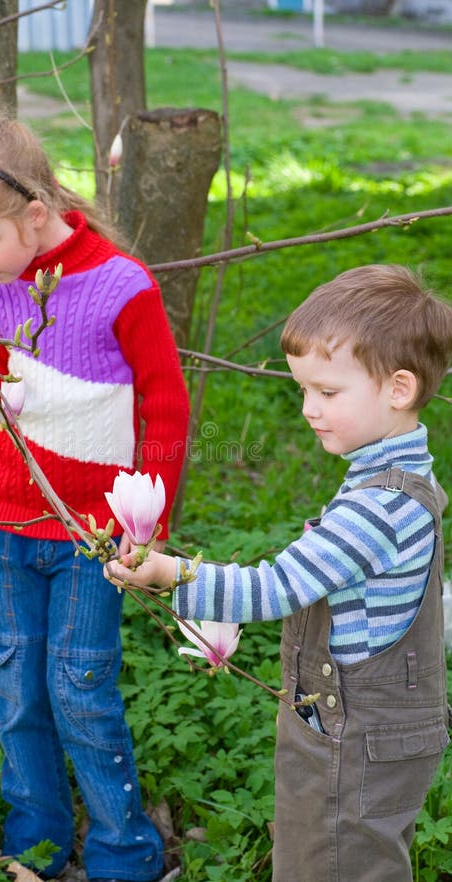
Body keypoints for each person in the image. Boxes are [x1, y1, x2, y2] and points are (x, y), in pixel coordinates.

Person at [106, 264, 452, 882]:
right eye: (302, 390)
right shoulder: (402, 480)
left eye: (327, 392)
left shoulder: (375, 508)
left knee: (339, 865)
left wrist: (171, 574)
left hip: (355, 742)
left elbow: (272, 588)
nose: (307, 410)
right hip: (361, 733)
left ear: (398, 389)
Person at [0, 116, 190, 882]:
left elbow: (165, 407)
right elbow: (1, 387)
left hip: (94, 535)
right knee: (19, 686)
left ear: (37, 217)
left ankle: (125, 856)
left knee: (80, 689)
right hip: (9, 523)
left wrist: (145, 525)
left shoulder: (121, 284)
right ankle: (37, 845)